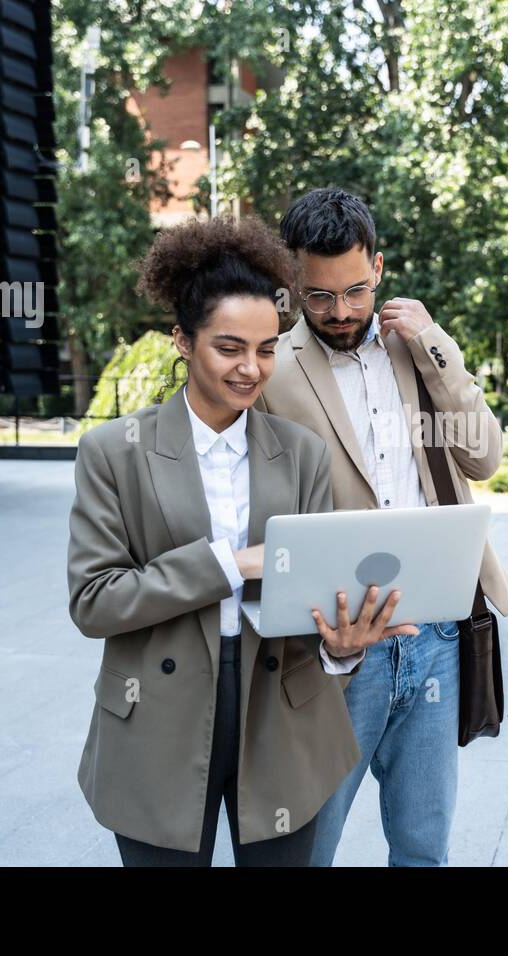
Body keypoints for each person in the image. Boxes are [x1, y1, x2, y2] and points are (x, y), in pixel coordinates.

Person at [66, 215, 416, 867]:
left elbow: (313, 595)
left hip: (280, 712)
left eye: (266, 348)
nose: (251, 368)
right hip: (156, 721)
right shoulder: (114, 452)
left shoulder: (302, 454)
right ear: (182, 340)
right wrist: (229, 563)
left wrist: (340, 650)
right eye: (229, 347)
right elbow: (95, 601)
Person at [253, 186, 508, 867]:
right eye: (319, 296)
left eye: (357, 291)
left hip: (436, 634)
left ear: (379, 266)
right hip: (340, 642)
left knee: (424, 847)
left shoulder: (417, 349)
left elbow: (484, 456)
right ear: (292, 282)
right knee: (312, 843)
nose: (341, 312)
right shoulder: (274, 371)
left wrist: (434, 344)